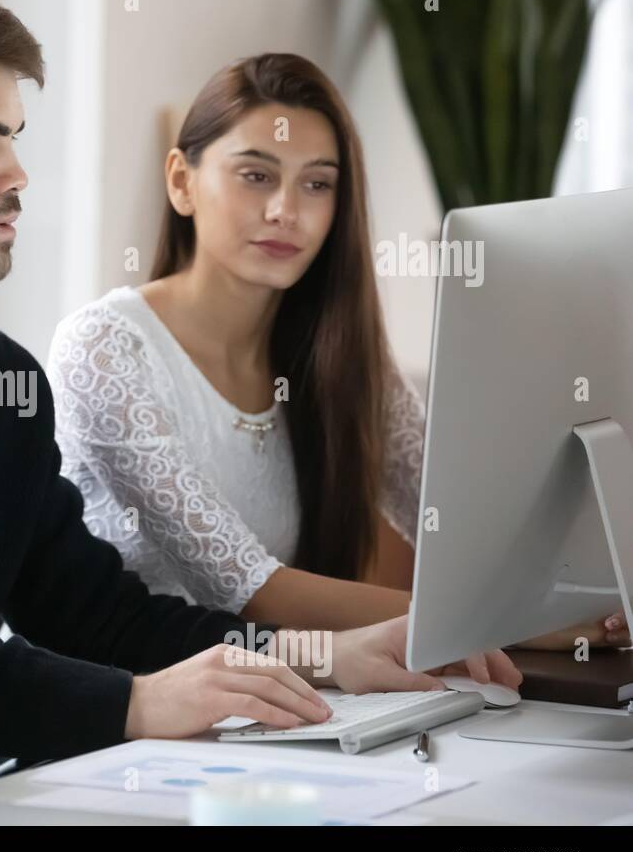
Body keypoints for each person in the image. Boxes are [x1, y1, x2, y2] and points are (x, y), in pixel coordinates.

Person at [0, 0, 520, 826]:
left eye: (15, 136)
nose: (18, 173)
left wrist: (322, 655)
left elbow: (93, 614)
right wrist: (135, 706)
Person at [47, 52, 628, 650]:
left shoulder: (342, 356)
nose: (286, 212)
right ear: (180, 181)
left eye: (317, 183)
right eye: (256, 175)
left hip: (260, 702)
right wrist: (517, 625)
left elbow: (456, 517)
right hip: (110, 714)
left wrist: (585, 594)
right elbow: (249, 589)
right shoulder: (105, 348)